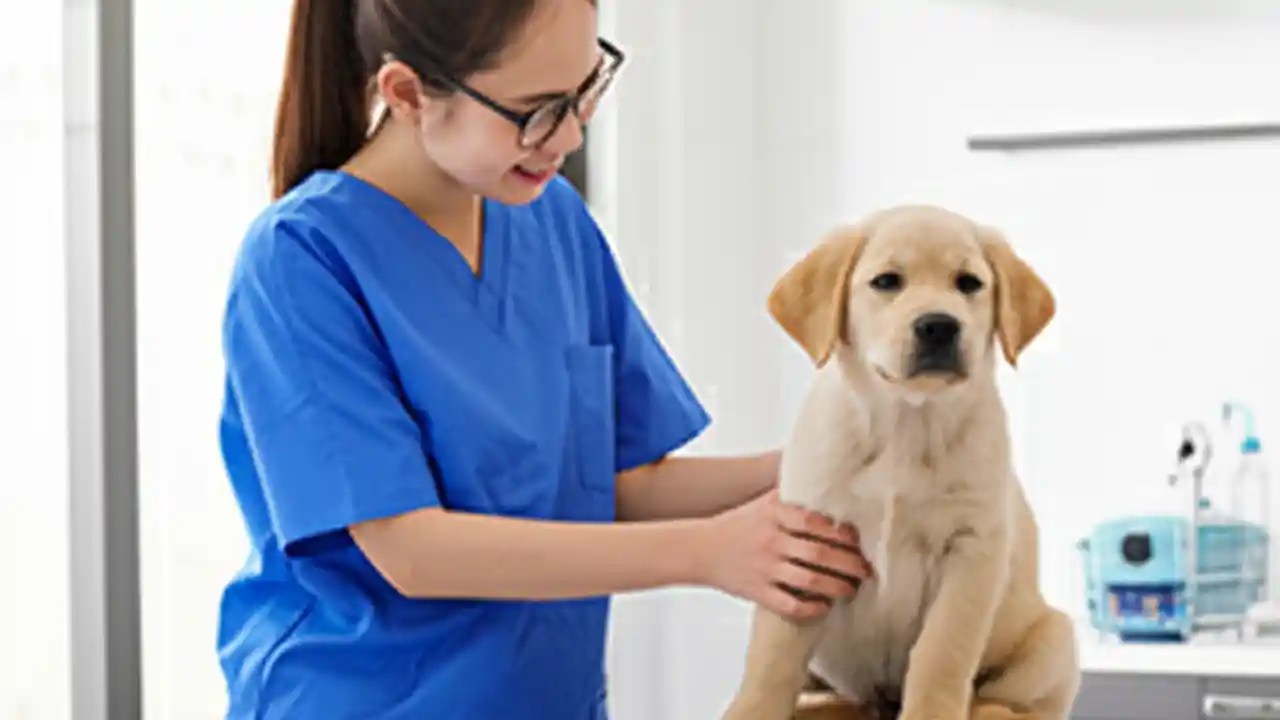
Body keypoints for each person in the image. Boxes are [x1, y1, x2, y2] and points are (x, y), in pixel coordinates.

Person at [215, 0, 872, 717]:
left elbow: (611, 485)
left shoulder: (551, 219)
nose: (570, 133)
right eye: (536, 110)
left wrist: (829, 461)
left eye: (585, 91)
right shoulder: (301, 262)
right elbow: (411, 550)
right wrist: (707, 552)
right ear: (405, 93)